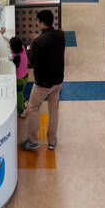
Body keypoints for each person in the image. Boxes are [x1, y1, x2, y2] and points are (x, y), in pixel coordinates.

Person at [20, 9, 65, 151]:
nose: (37, 23)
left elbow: (32, 61)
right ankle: (52, 141)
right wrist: (37, 42)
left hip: (43, 84)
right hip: (58, 80)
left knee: (33, 108)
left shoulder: (39, 42)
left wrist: (31, 47)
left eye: (38, 21)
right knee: (54, 110)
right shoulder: (61, 35)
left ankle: (33, 141)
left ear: (42, 23)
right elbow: (51, 46)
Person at [10, 35, 30, 116]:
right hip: (25, 76)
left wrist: (10, 57)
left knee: (19, 95)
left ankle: (21, 111)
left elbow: (12, 58)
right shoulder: (22, 48)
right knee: (21, 92)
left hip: (19, 80)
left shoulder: (16, 57)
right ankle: (24, 102)